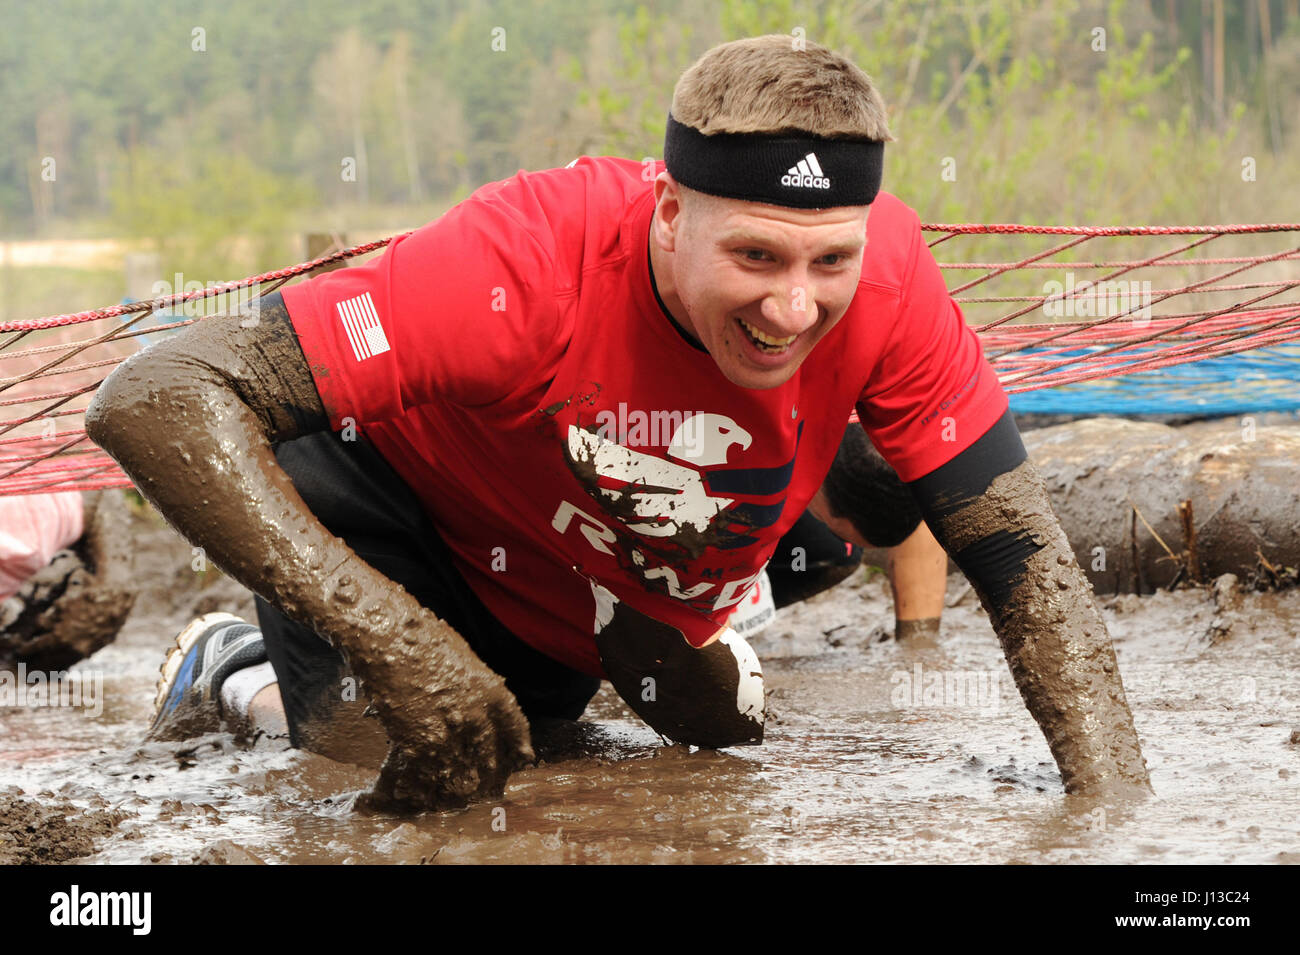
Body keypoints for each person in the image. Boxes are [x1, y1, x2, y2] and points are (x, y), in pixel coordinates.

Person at [86, 35, 1150, 811]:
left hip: (578, 582)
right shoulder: (518, 264)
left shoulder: (895, 283)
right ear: (670, 214)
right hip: (396, 515)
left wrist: (1118, 824)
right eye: (756, 258)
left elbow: (1021, 556)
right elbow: (153, 394)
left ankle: (633, 658)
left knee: (584, 766)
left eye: (830, 262)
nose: (793, 309)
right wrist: (401, 642)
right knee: (379, 765)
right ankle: (233, 669)